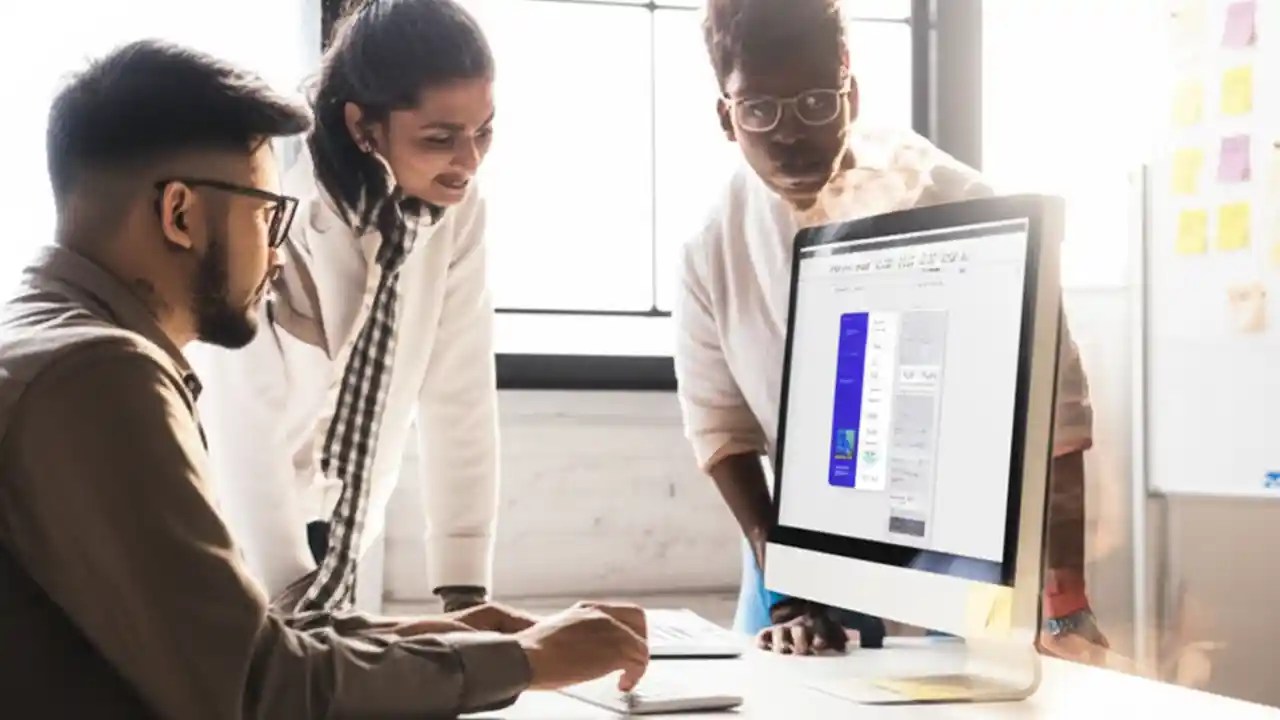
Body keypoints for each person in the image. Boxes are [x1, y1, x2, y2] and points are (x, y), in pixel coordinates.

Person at [0, 39, 647, 718]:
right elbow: (260, 686)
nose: (277, 254)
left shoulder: (50, 343)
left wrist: (451, 633)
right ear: (181, 214)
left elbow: (230, 648)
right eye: (268, 213)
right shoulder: (100, 379)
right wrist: (529, 661)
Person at [674, 0, 1106, 657]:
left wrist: (1064, 606)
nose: (790, 135)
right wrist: (790, 590)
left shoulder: (958, 203)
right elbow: (722, 431)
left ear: (852, 89)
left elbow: (1056, 417)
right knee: (788, 687)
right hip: (790, 528)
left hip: (959, 528)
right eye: (759, 108)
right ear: (725, 117)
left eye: (817, 102)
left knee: (970, 683)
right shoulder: (714, 244)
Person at [196, 0, 501, 615]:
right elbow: (242, 418)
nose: (469, 160)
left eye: (485, 131)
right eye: (440, 138)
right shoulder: (276, 204)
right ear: (364, 126)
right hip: (230, 512)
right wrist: (288, 585)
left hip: (343, 516)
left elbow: (459, 391)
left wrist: (464, 589)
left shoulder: (458, 212)